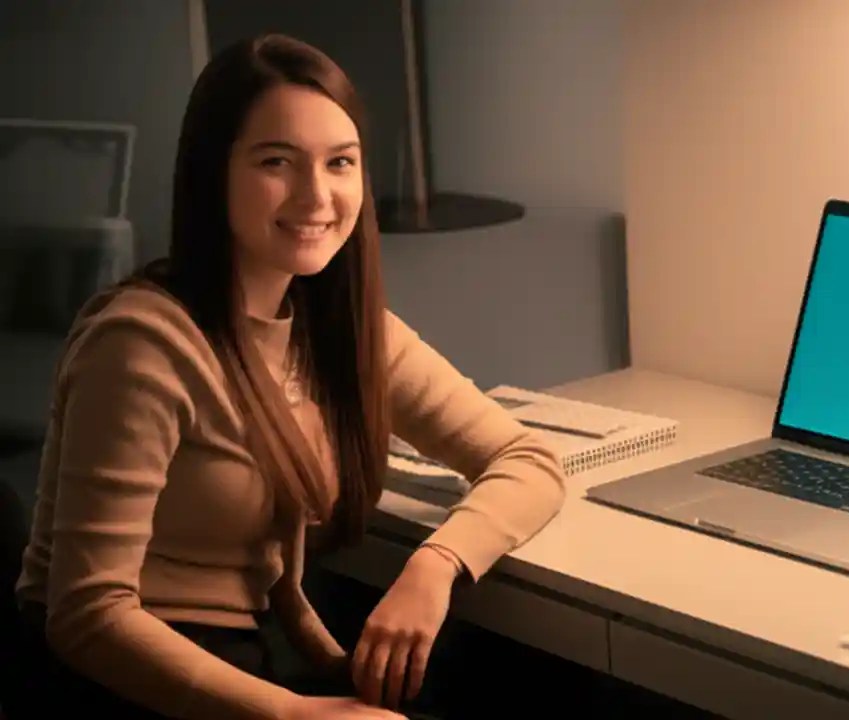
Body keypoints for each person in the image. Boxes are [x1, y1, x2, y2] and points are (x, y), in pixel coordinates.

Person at [10, 33, 567, 720]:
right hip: (128, 678)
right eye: (278, 161)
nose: (316, 195)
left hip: (259, 655)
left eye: (340, 163)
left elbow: (528, 459)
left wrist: (435, 566)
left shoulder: (340, 330)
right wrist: (293, 715)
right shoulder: (142, 344)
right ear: (215, 174)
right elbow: (87, 615)